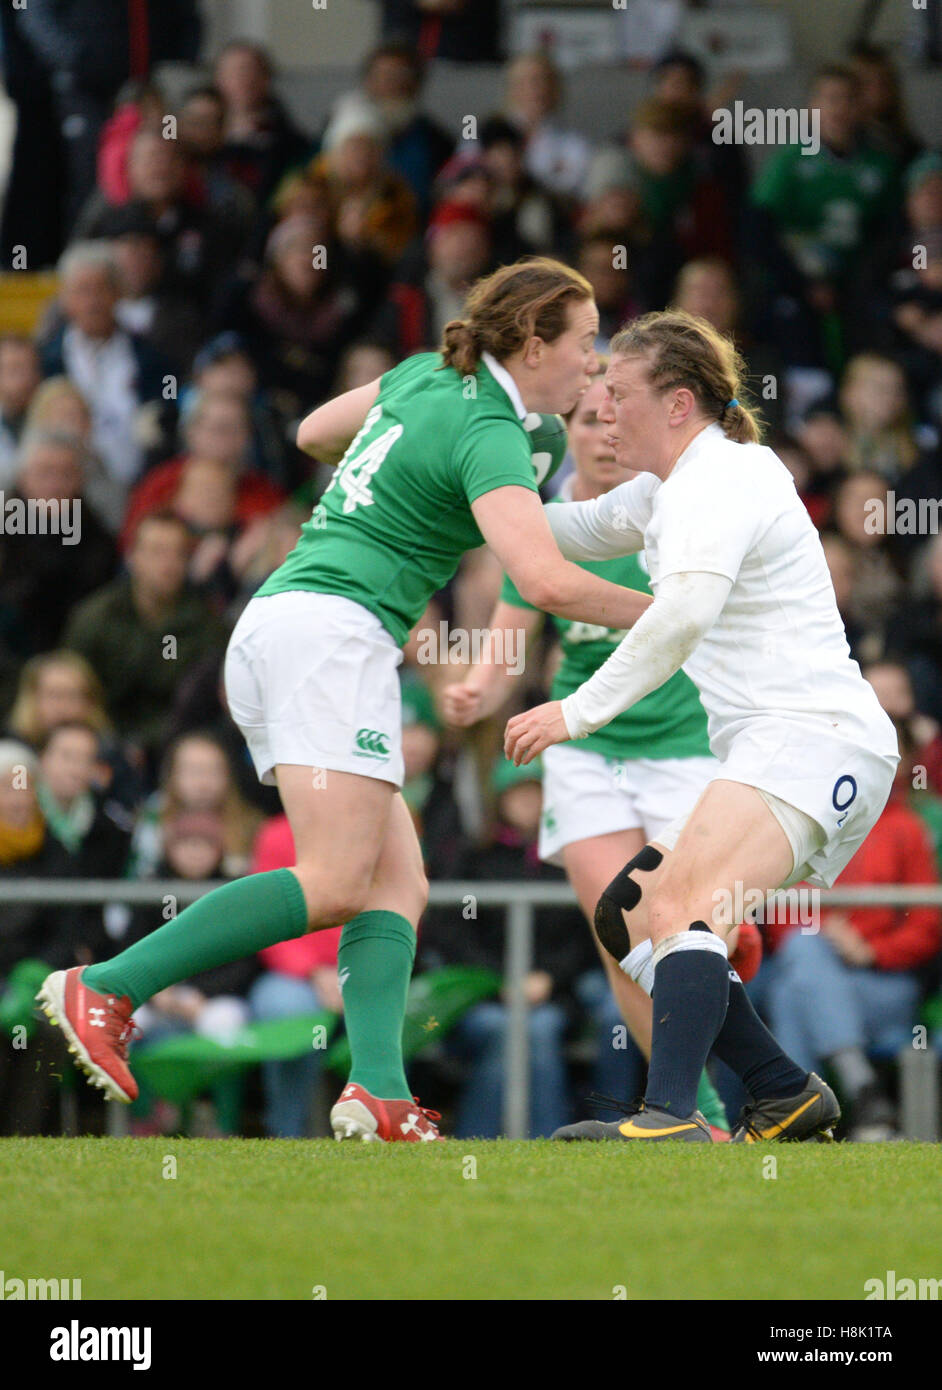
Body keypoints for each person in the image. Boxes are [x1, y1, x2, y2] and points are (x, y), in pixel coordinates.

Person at [38, 257, 654, 1142]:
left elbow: (316, 433)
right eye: (586, 343)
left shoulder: (428, 374)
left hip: (291, 620)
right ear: (532, 342)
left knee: (396, 883)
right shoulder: (492, 430)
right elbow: (546, 580)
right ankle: (107, 986)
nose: (593, 363)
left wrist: (403, 485)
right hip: (331, 635)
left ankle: (377, 1092)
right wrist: (677, 617)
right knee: (333, 881)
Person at [503, 309, 900, 1143]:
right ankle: (783, 1089)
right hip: (787, 745)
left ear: (678, 404)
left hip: (813, 737)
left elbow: (681, 613)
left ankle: (670, 1120)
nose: (602, 411)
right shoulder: (667, 488)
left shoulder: (724, 478)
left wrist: (575, 711)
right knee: (631, 911)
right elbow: (562, 531)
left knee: (682, 904)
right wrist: (464, 489)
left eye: (618, 394)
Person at [443, 364, 739, 1136]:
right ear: (565, 433)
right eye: (588, 424)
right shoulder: (540, 528)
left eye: (617, 423)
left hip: (685, 744)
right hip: (585, 751)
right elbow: (512, 637)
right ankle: (698, 1117)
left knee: (685, 933)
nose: (604, 439)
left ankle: (714, 1096)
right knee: (621, 939)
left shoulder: (673, 515)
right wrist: (479, 686)